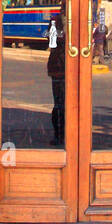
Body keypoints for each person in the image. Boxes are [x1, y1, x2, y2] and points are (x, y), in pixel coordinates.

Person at [47, 13, 65, 146]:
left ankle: (62, 134)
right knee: (59, 104)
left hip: (64, 67)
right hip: (59, 68)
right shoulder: (55, 20)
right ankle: (59, 134)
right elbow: (52, 42)